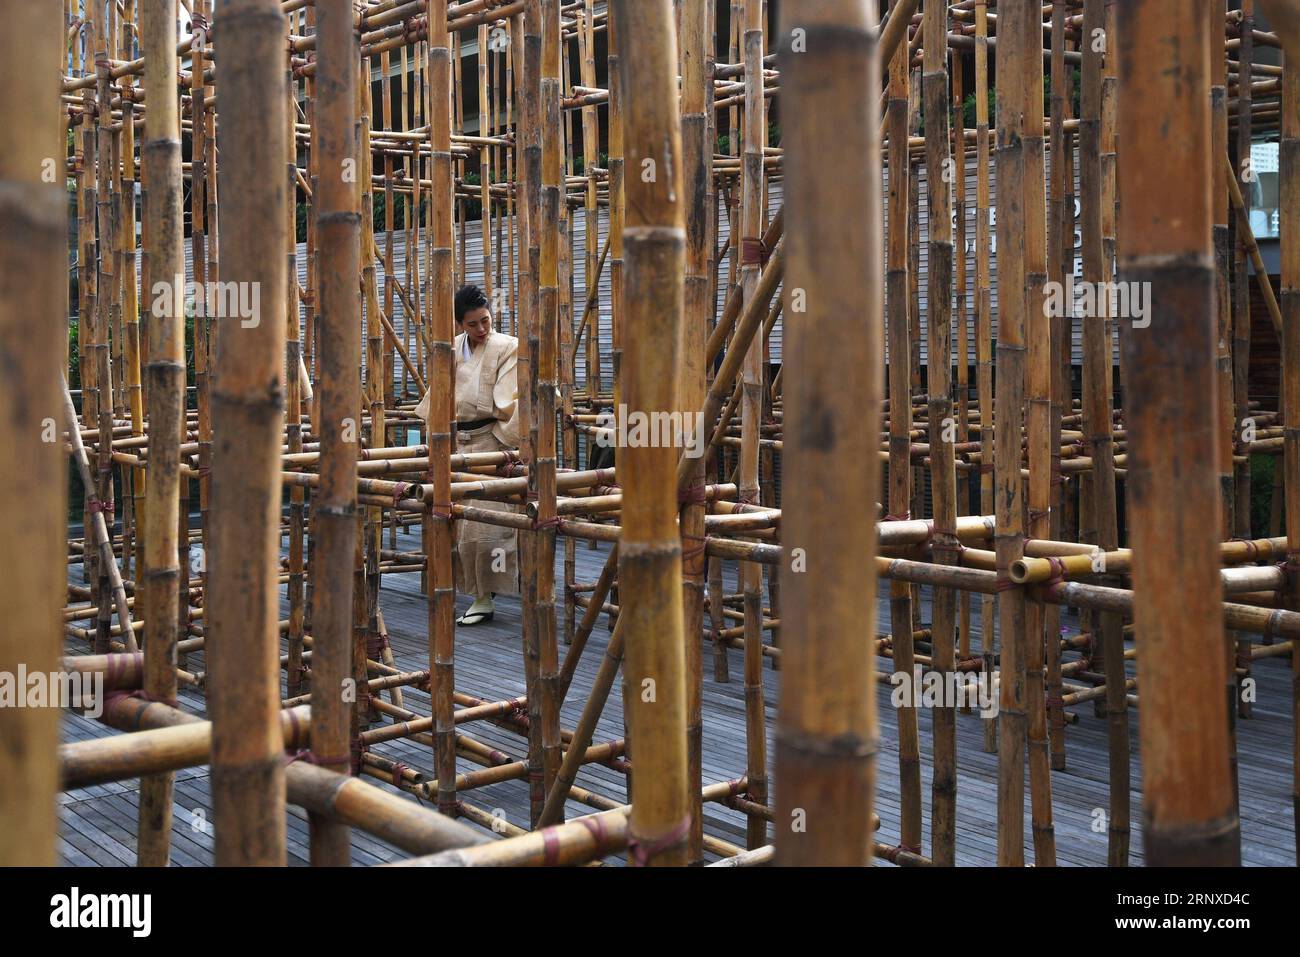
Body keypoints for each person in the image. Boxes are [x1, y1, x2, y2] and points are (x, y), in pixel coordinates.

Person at [415, 284, 519, 625]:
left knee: (487, 523)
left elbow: (511, 403)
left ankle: (485, 595)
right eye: (473, 324)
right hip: (458, 443)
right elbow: (439, 397)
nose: (482, 329)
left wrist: (507, 443)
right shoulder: (450, 349)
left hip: (491, 441)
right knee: (457, 520)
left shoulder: (507, 347)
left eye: (486, 321)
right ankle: (474, 592)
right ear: (460, 324)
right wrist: (438, 441)